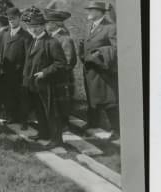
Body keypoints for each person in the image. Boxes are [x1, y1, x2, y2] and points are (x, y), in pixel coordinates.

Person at [21, 10, 66, 149]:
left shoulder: (51, 42)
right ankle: (44, 133)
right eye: (30, 27)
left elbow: (60, 63)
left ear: (42, 26)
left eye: (35, 27)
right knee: (39, 110)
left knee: (51, 112)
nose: (32, 29)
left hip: (47, 84)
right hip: (34, 84)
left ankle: (56, 140)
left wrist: (44, 73)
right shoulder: (34, 40)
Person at [78, 1, 118, 139]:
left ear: (100, 12)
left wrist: (98, 54)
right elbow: (83, 43)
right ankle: (93, 123)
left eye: (91, 10)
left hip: (102, 71)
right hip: (89, 69)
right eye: (89, 10)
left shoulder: (110, 27)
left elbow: (115, 48)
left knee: (108, 100)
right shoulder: (89, 25)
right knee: (92, 98)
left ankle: (116, 130)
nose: (88, 12)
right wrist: (83, 56)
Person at [0, 8, 30, 127]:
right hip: (6, 71)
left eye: (14, 19)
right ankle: (12, 117)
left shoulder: (26, 36)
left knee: (21, 97)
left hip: (19, 73)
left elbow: (28, 57)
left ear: (19, 18)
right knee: (9, 96)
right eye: (9, 19)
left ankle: (23, 120)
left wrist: (25, 73)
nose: (12, 21)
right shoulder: (5, 35)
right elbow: (1, 51)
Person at [43, 8, 75, 130]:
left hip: (61, 76)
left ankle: (64, 123)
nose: (46, 25)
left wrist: (56, 71)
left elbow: (68, 60)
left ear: (54, 24)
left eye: (47, 23)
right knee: (55, 100)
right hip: (53, 74)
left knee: (63, 101)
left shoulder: (64, 39)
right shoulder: (51, 37)